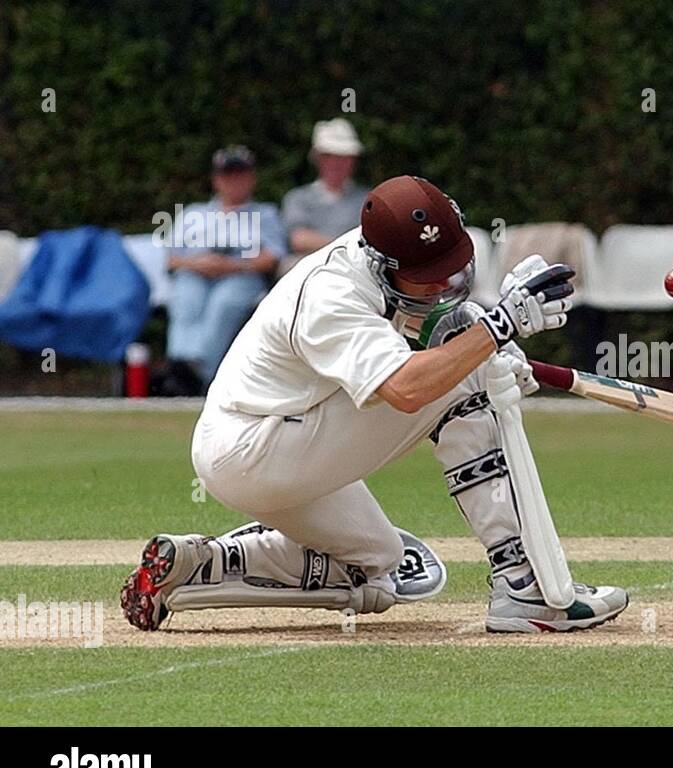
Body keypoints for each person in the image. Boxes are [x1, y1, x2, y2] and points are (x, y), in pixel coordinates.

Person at [121, 175, 629, 634]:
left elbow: (429, 328)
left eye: (449, 267)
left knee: (379, 567)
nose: (441, 283)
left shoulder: (385, 262)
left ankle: (199, 567)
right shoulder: (330, 294)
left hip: (282, 441)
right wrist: (494, 333)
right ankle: (525, 584)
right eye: (427, 274)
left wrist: (481, 337)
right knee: (464, 379)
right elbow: (407, 389)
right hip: (254, 445)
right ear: (385, 268)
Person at [158, 146, 286, 395]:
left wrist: (233, 266)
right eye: (228, 175)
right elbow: (171, 260)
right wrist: (198, 264)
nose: (234, 181)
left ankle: (201, 371)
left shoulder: (265, 213)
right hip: (195, 273)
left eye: (240, 174)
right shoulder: (194, 213)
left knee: (224, 303)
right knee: (186, 298)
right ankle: (179, 363)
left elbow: (272, 257)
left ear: (252, 178)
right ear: (216, 179)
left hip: (242, 275)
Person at [277, 118, 369, 277]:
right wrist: (348, 248)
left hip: (357, 269)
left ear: (353, 161)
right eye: (329, 156)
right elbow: (299, 239)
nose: (336, 163)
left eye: (343, 157)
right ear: (318, 159)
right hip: (311, 268)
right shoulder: (298, 198)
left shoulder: (368, 199)